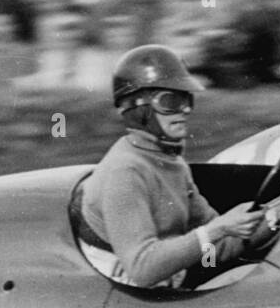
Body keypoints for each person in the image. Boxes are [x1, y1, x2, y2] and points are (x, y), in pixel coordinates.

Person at [78, 44, 269, 289]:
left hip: (165, 286)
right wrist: (217, 229)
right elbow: (142, 269)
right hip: (131, 296)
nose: (186, 109)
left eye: (187, 99)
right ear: (139, 108)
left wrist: (275, 216)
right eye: (171, 100)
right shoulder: (125, 171)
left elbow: (218, 248)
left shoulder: (173, 162)